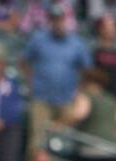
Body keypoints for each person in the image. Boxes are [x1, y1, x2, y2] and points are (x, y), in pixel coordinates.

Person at [21, 3, 91, 150]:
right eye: (54, 19)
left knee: (63, 144)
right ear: (49, 20)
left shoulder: (76, 43)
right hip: (42, 99)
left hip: (66, 101)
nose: (58, 22)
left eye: (60, 18)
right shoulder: (39, 39)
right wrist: (30, 83)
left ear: (65, 19)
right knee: (37, 142)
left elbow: (86, 70)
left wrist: (79, 91)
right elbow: (24, 62)